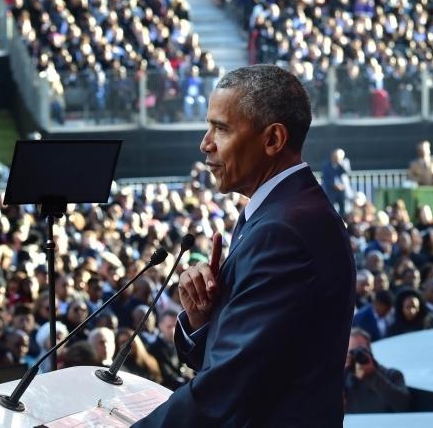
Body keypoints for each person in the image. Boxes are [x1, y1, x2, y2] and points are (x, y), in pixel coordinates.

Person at [133, 65, 355, 427]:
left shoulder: (284, 231)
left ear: (273, 140)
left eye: (220, 128)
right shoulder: (280, 212)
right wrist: (202, 318)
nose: (205, 143)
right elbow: (256, 355)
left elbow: (227, 387)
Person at [344, 328, 410, 413]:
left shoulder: (391, 375)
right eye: (351, 352)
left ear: (370, 351)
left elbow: (404, 406)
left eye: (361, 350)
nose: (357, 356)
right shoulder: (343, 379)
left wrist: (372, 375)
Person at [321, 148, 353, 217]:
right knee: (331, 209)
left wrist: (340, 162)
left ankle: (344, 223)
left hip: (343, 190)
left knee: (344, 209)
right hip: (331, 190)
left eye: (337, 156)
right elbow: (325, 178)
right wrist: (333, 185)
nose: (335, 158)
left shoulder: (345, 162)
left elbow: (347, 172)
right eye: (334, 156)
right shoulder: (326, 165)